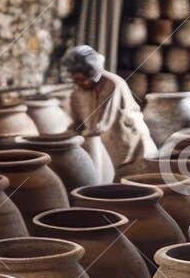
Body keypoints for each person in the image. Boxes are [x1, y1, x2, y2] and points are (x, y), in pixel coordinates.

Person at [62, 46, 156, 180]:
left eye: (82, 79)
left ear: (92, 73)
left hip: (129, 141)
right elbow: (77, 124)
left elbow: (101, 125)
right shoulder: (77, 91)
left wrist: (82, 142)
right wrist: (66, 137)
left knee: (134, 181)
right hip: (102, 144)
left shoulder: (112, 84)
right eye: (75, 79)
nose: (79, 83)